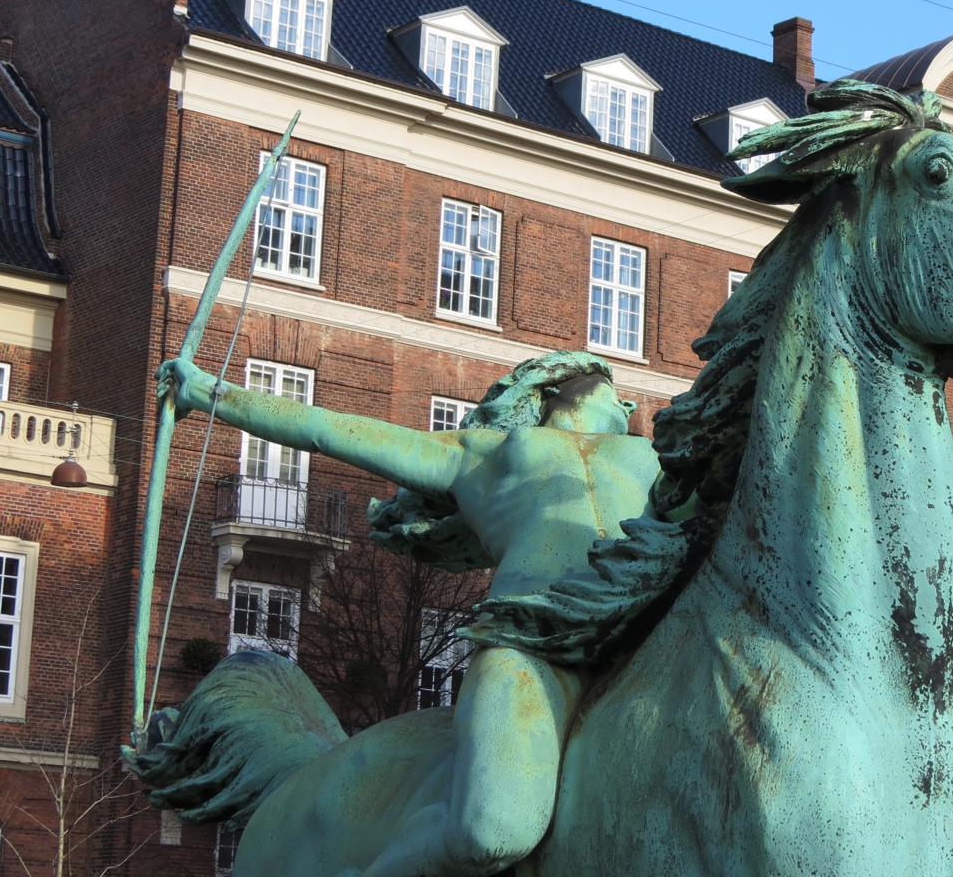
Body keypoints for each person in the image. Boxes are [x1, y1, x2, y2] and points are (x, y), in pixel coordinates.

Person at [158, 350, 659, 876]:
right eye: (613, 390)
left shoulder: (660, 460)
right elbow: (325, 430)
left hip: (644, 641)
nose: (626, 404)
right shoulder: (482, 456)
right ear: (551, 390)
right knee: (492, 831)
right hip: (533, 651)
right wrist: (207, 392)